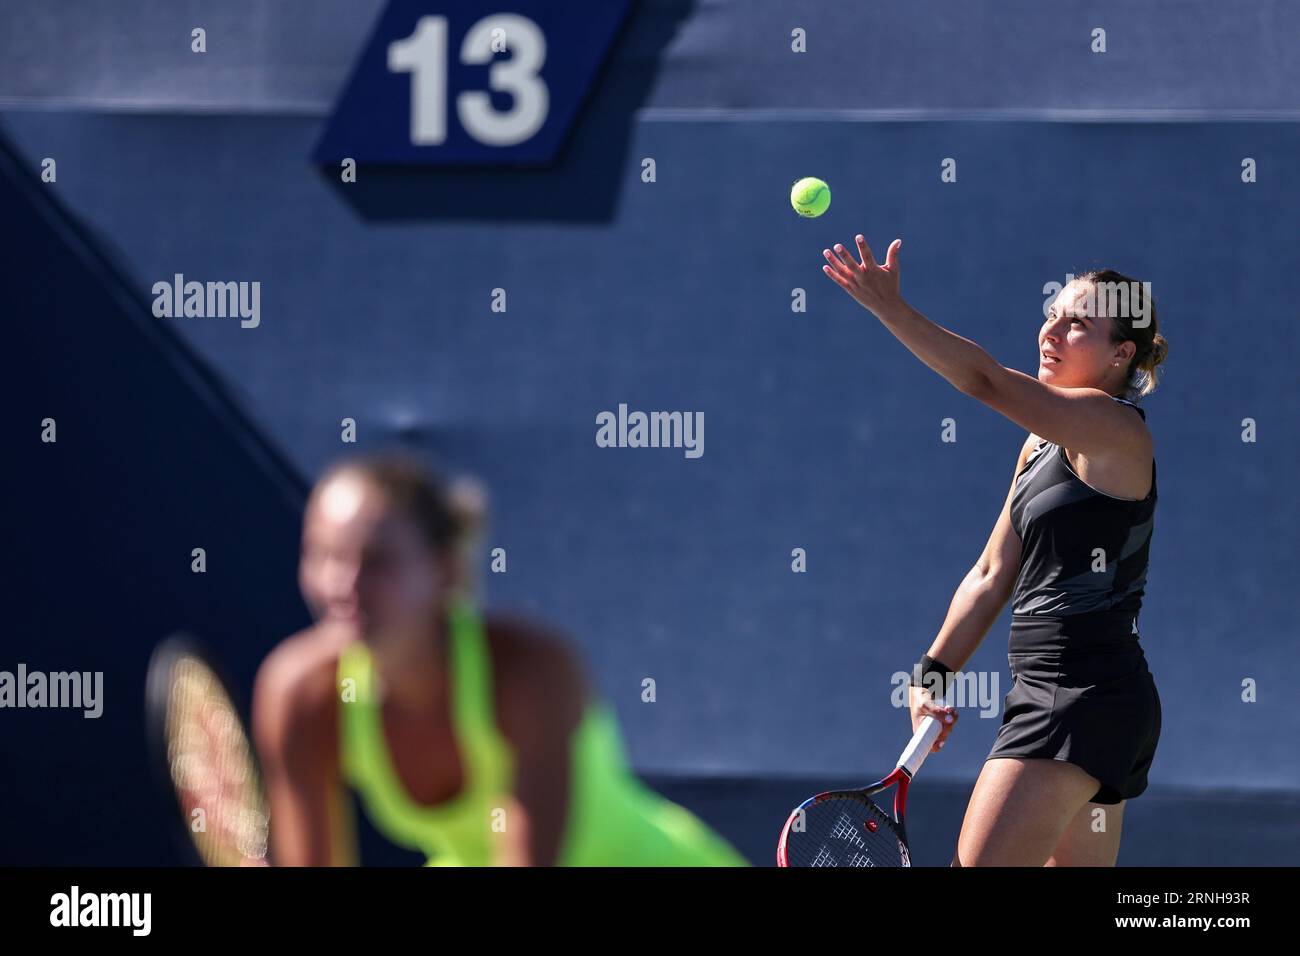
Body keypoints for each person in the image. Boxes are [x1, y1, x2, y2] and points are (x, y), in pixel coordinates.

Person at [822, 239, 1167, 866]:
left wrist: (890, 308)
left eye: (1078, 324)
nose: (1052, 331)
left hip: (1076, 697)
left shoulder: (1113, 427)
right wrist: (932, 672)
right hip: (1097, 699)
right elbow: (990, 574)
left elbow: (982, 380)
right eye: (1054, 314)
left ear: (1122, 354)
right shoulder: (1041, 441)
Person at [252, 454, 747, 866]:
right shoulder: (299, 695)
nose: (344, 585)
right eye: (323, 555)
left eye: (378, 561)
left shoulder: (531, 672)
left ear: (445, 571)